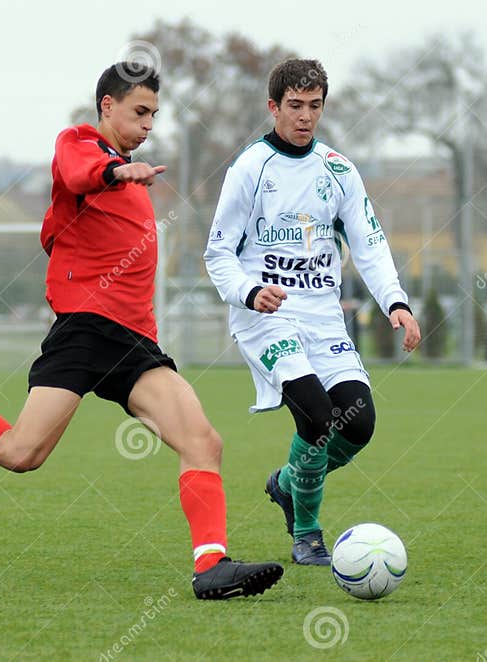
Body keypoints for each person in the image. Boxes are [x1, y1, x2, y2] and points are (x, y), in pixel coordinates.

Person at [0, 62, 283, 600]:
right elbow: (80, 172)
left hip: (133, 344)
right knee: (20, 454)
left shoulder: (130, 174)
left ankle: (212, 568)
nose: (149, 123)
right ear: (107, 106)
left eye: (154, 113)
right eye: (139, 111)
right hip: (83, 332)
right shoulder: (80, 145)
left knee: (203, 441)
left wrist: (122, 180)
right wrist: (115, 173)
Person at [203, 59, 421, 566]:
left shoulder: (338, 170)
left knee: (358, 424)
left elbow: (370, 243)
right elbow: (217, 253)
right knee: (317, 418)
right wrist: (249, 292)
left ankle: (286, 483)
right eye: (295, 106)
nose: (305, 116)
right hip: (266, 316)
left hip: (323, 317)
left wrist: (397, 303)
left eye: (315, 106)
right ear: (273, 107)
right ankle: (307, 534)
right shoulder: (249, 169)